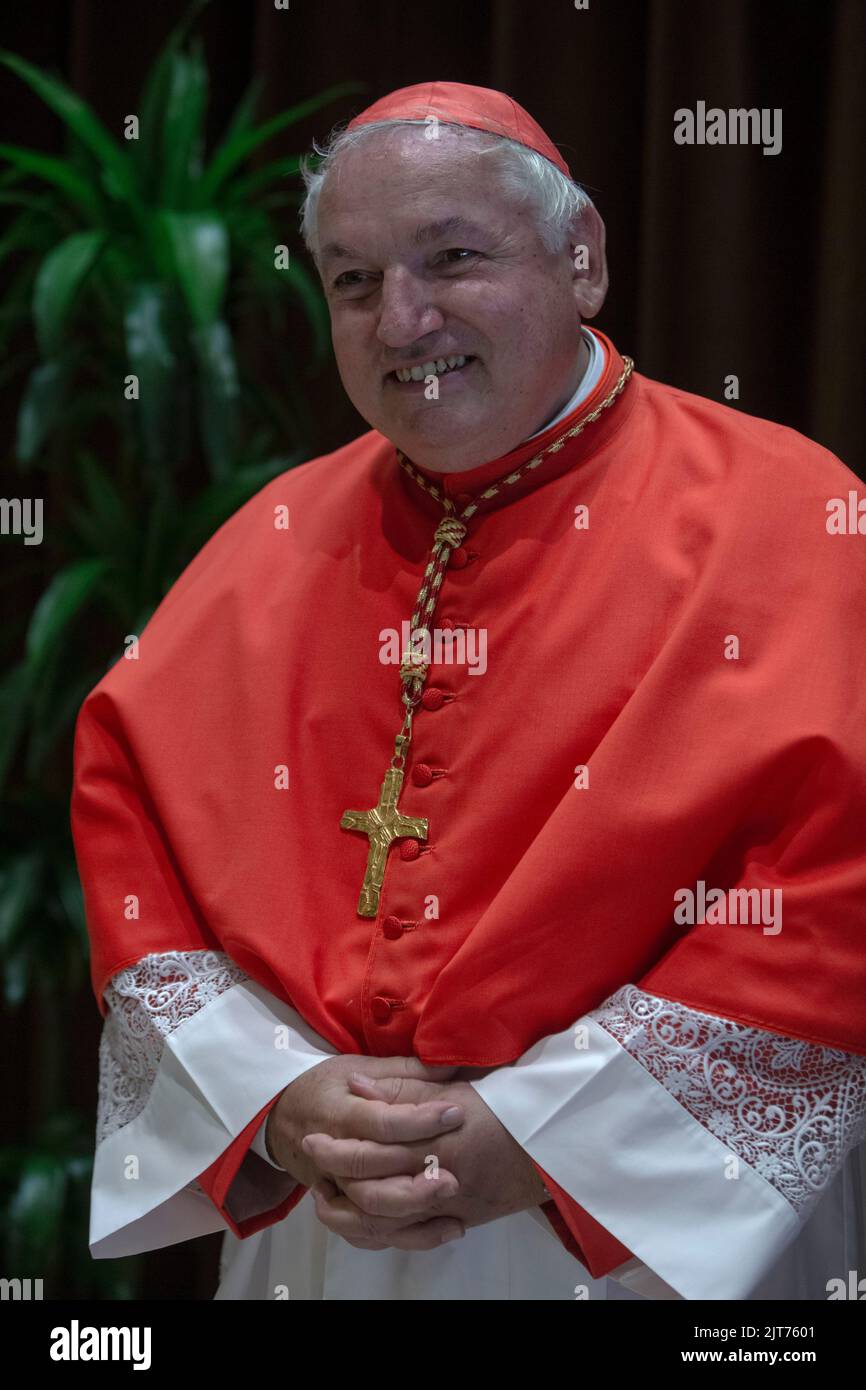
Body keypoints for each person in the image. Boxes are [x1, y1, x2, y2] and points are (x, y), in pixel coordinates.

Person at [71, 81, 866, 1301]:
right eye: (353, 280)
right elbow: (135, 837)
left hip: (647, 1238)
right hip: (328, 1225)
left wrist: (546, 1139)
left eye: (451, 258)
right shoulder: (271, 534)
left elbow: (830, 885)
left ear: (580, 257)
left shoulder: (794, 515)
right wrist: (278, 1101)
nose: (401, 320)